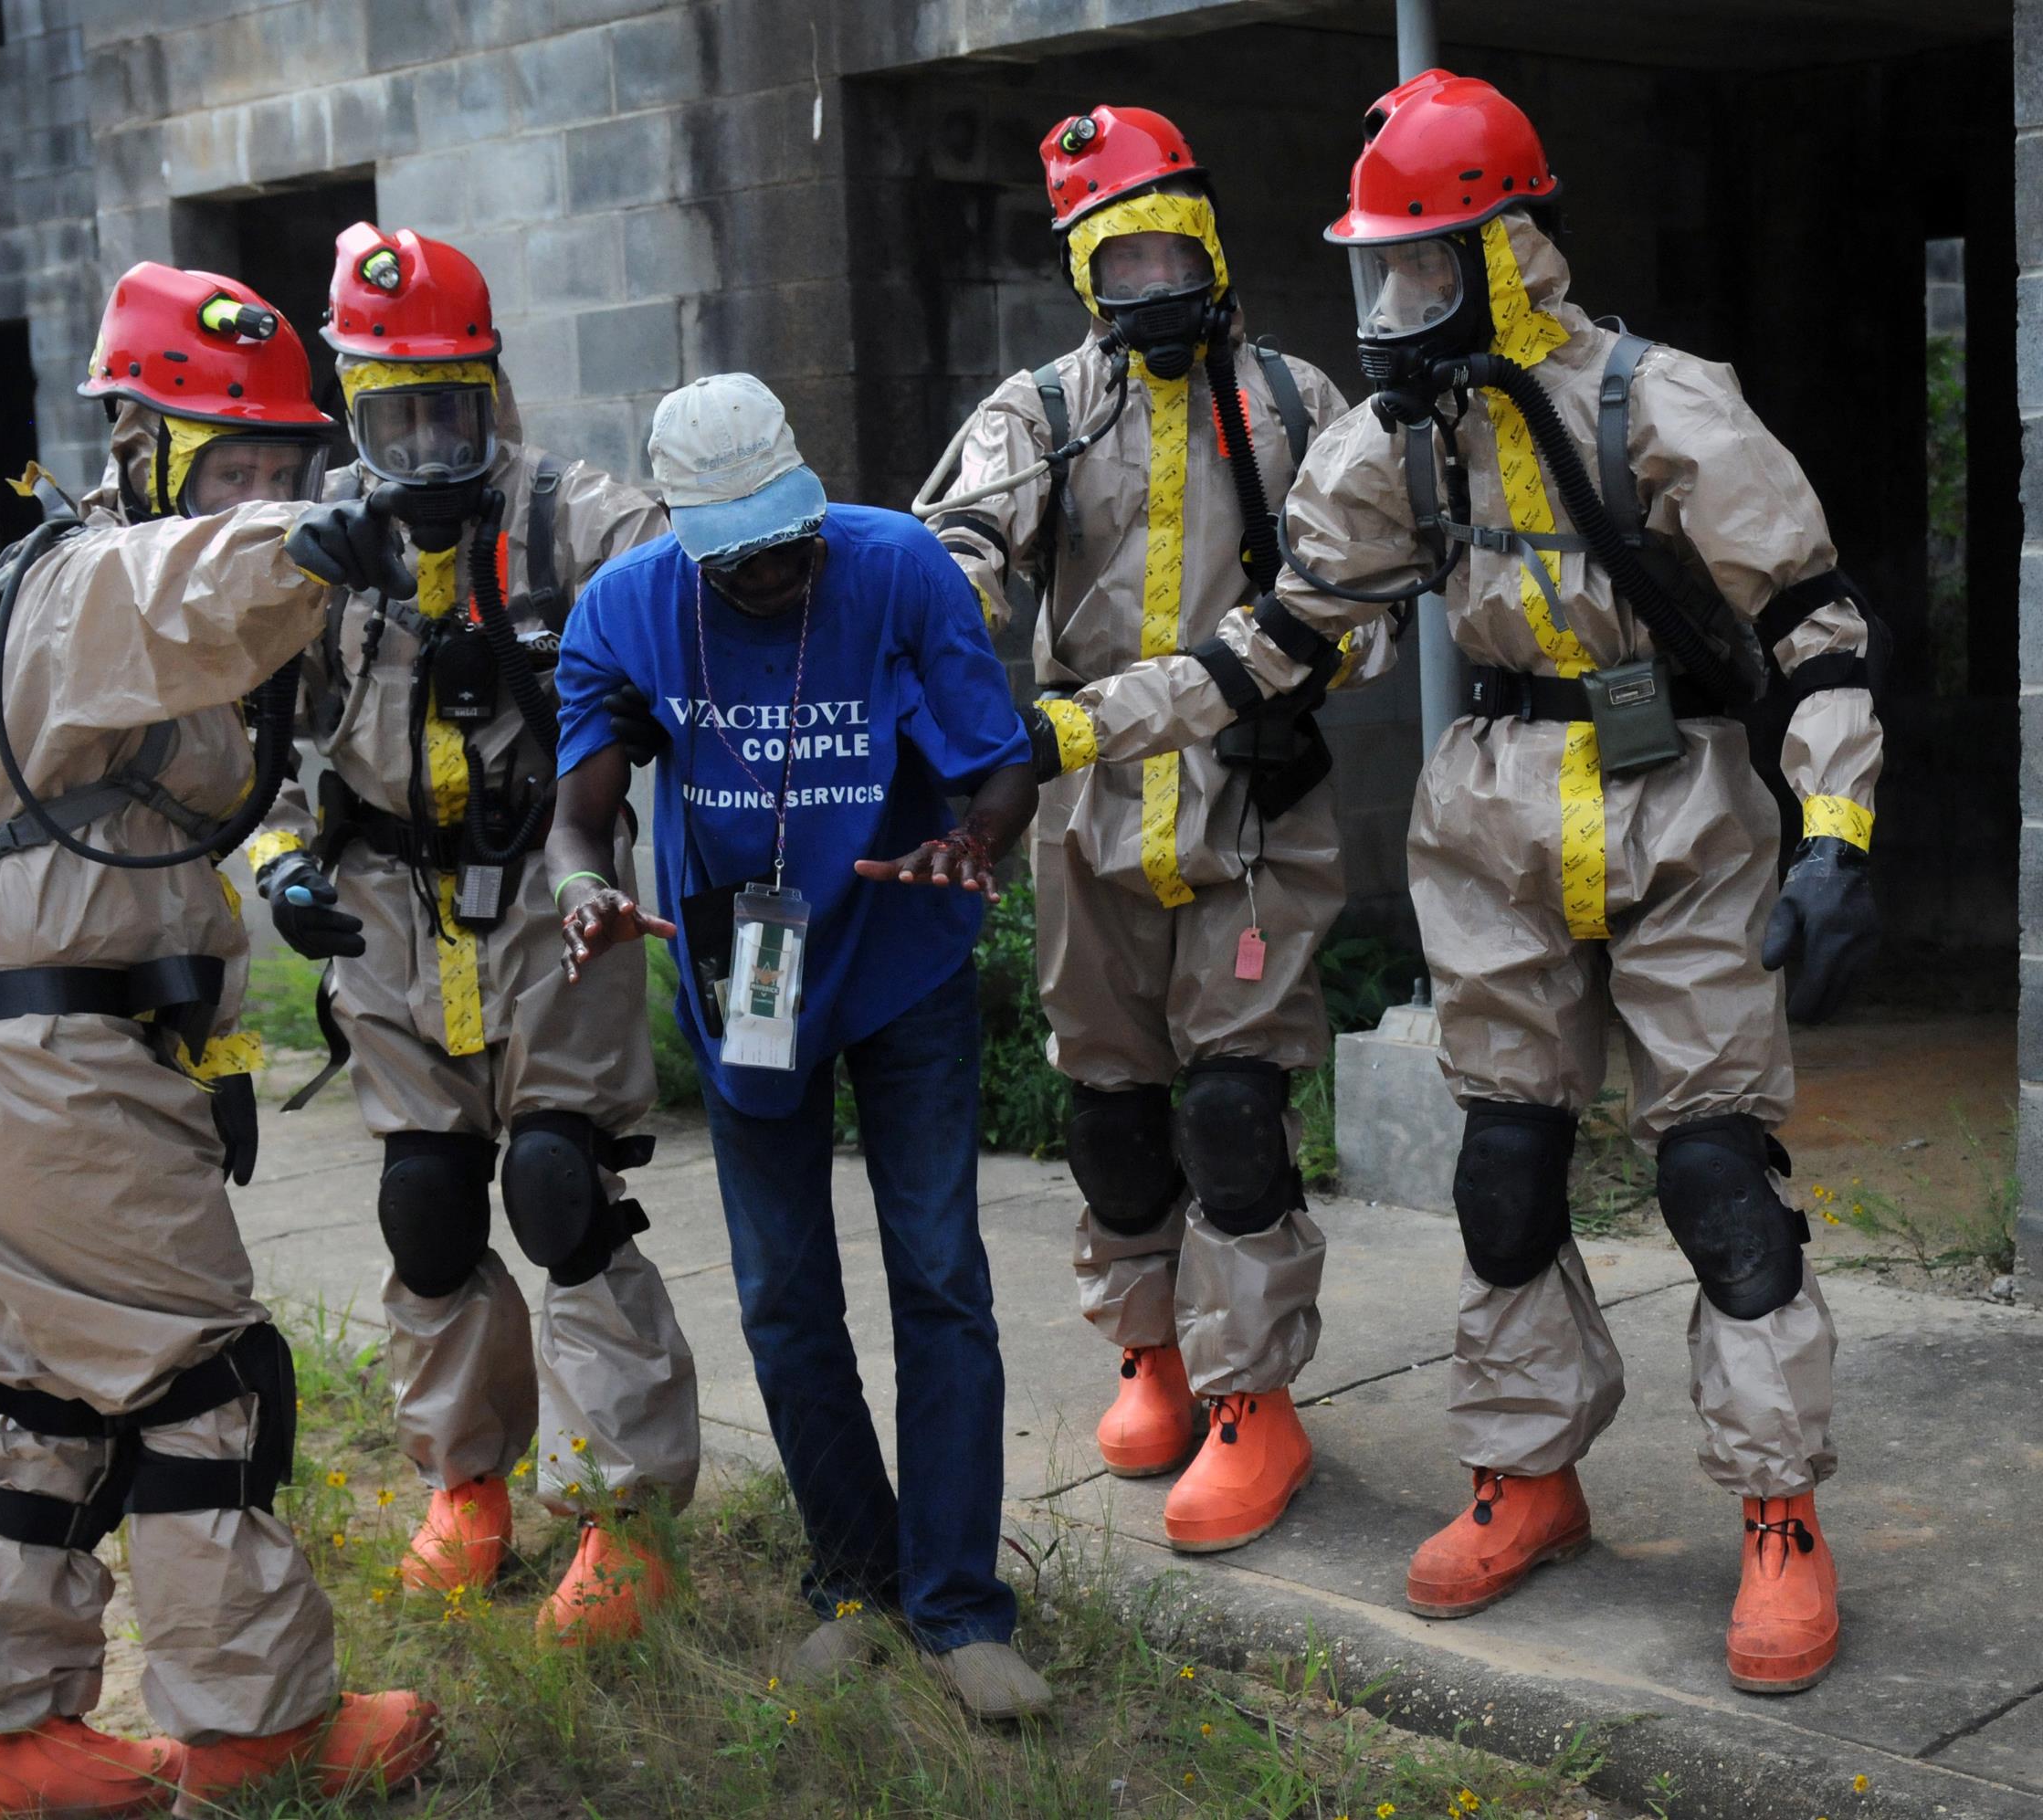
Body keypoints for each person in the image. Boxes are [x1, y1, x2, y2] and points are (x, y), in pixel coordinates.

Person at [1035, 71, 1885, 1695]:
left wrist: (1837, 833)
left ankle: (1779, 1511)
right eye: (1381, 271)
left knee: (1718, 1184)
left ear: (1511, 254)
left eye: (1426, 270)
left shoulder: (1660, 405)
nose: (1395, 304)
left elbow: (1815, 628)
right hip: (1494, 818)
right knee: (1504, 1176)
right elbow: (1272, 644)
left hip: (1678, 806)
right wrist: (1079, 725)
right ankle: (1528, 1473)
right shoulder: (1386, 450)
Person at [0, 263, 436, 1818]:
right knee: (208, 1383)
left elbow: (162, 810)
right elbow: (200, 586)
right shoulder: (102, 577)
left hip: (18, 1058)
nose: (260, 491)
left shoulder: (104, 610)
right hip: (46, 1066)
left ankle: (0, 1740)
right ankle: (259, 1734)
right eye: (227, 461)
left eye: (282, 466)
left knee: (59, 1398)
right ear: (137, 443)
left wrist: (272, 905)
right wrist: (306, 536)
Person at [920, 105, 1393, 1552]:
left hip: (1257, 798)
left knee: (1235, 1112)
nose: (1150, 280)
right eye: (1113, 258)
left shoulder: (1301, 402)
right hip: (1087, 807)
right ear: (1081, 272)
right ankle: (1157, 1356)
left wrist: (1323, 658)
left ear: (1208, 233)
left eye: (1166, 243)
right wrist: (947, 647)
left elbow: (1354, 596)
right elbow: (955, 555)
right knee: (1115, 1113)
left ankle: (1259, 1402)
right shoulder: (1044, 411)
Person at [545, 373, 1052, 1721]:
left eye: (787, 538)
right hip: (748, 984)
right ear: (680, 530)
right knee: (781, 1291)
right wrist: (580, 886)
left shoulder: (897, 569)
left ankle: (957, 1606)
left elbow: (1007, 760)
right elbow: (578, 811)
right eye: (738, 553)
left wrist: (976, 837)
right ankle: (853, 1579)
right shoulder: (627, 608)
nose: (770, 571)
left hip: (903, 963)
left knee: (940, 1274)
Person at [242, 223, 698, 1642]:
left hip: (554, 903)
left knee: (561, 1191)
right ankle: (469, 1479)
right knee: (426, 1209)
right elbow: (227, 749)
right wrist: (276, 872)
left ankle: (623, 1512)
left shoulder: (578, 519)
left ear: (492, 391)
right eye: (395, 415)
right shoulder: (312, 548)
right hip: (385, 911)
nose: (429, 445)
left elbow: (709, 596)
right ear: (353, 411)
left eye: (452, 408)